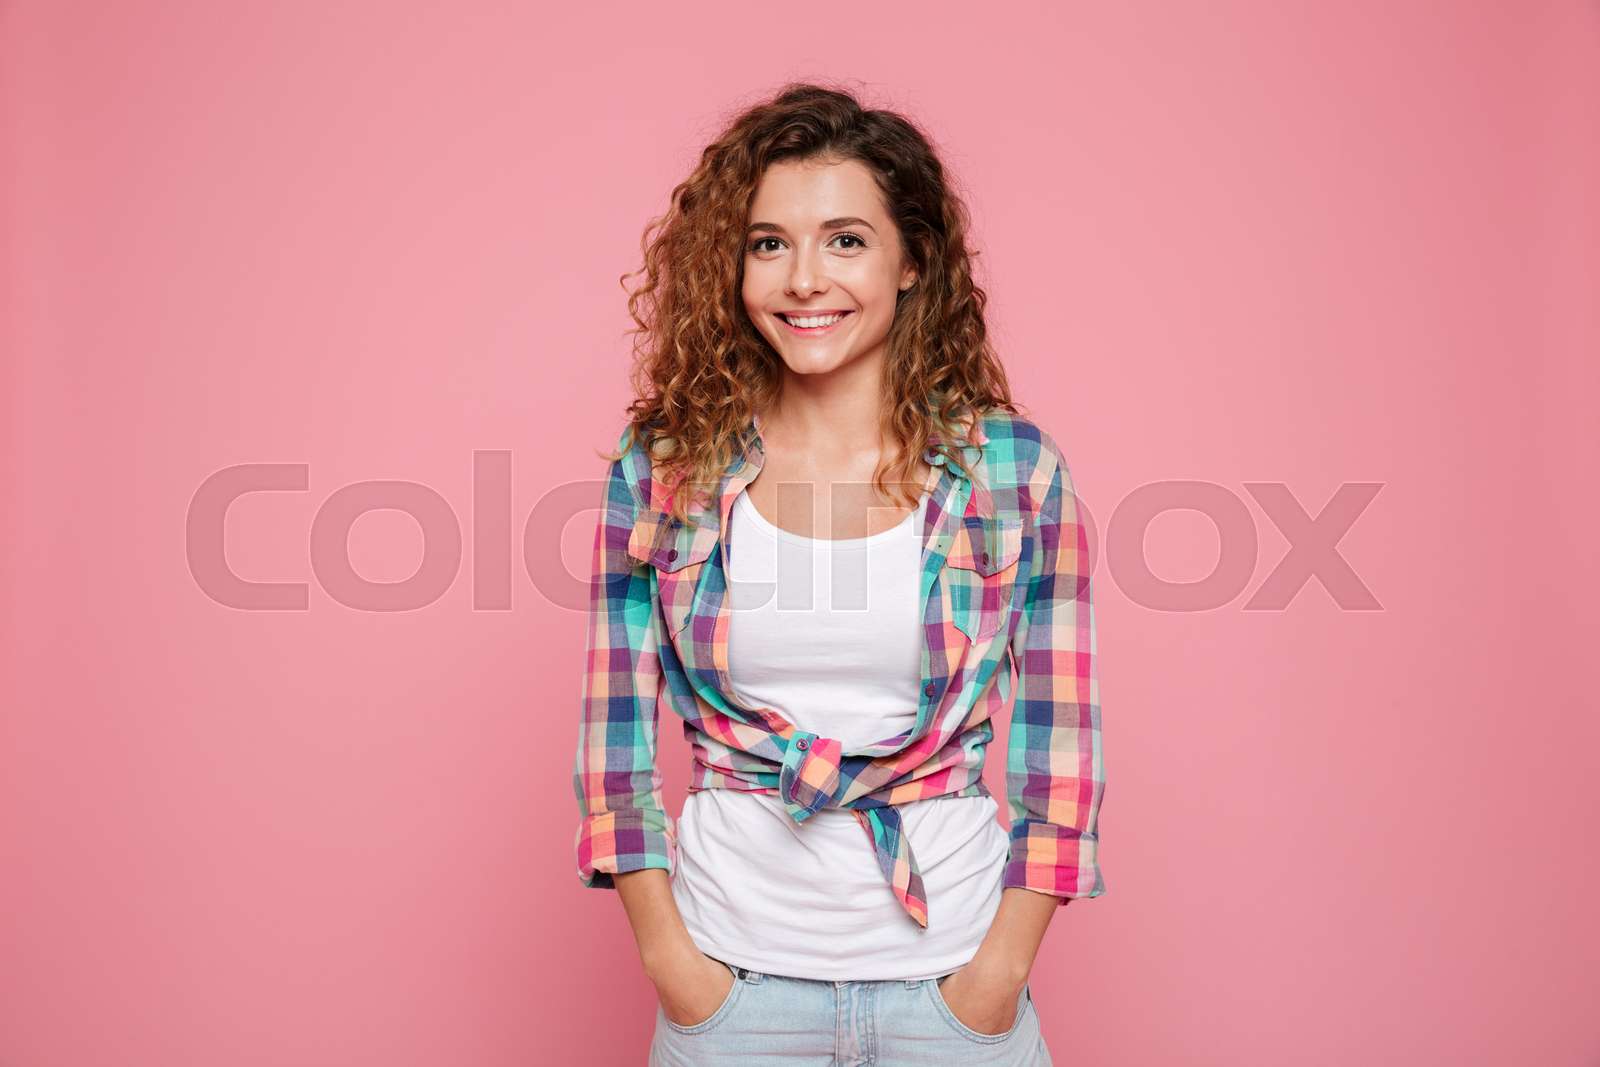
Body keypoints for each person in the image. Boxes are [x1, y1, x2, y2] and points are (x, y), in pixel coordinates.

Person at [572, 81, 1104, 1065]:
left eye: (846, 239)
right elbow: (614, 744)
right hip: (731, 989)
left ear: (912, 262)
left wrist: (993, 981)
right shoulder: (665, 468)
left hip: (952, 991)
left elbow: (1059, 754)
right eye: (769, 242)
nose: (804, 278)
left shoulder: (1011, 470)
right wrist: (673, 965)